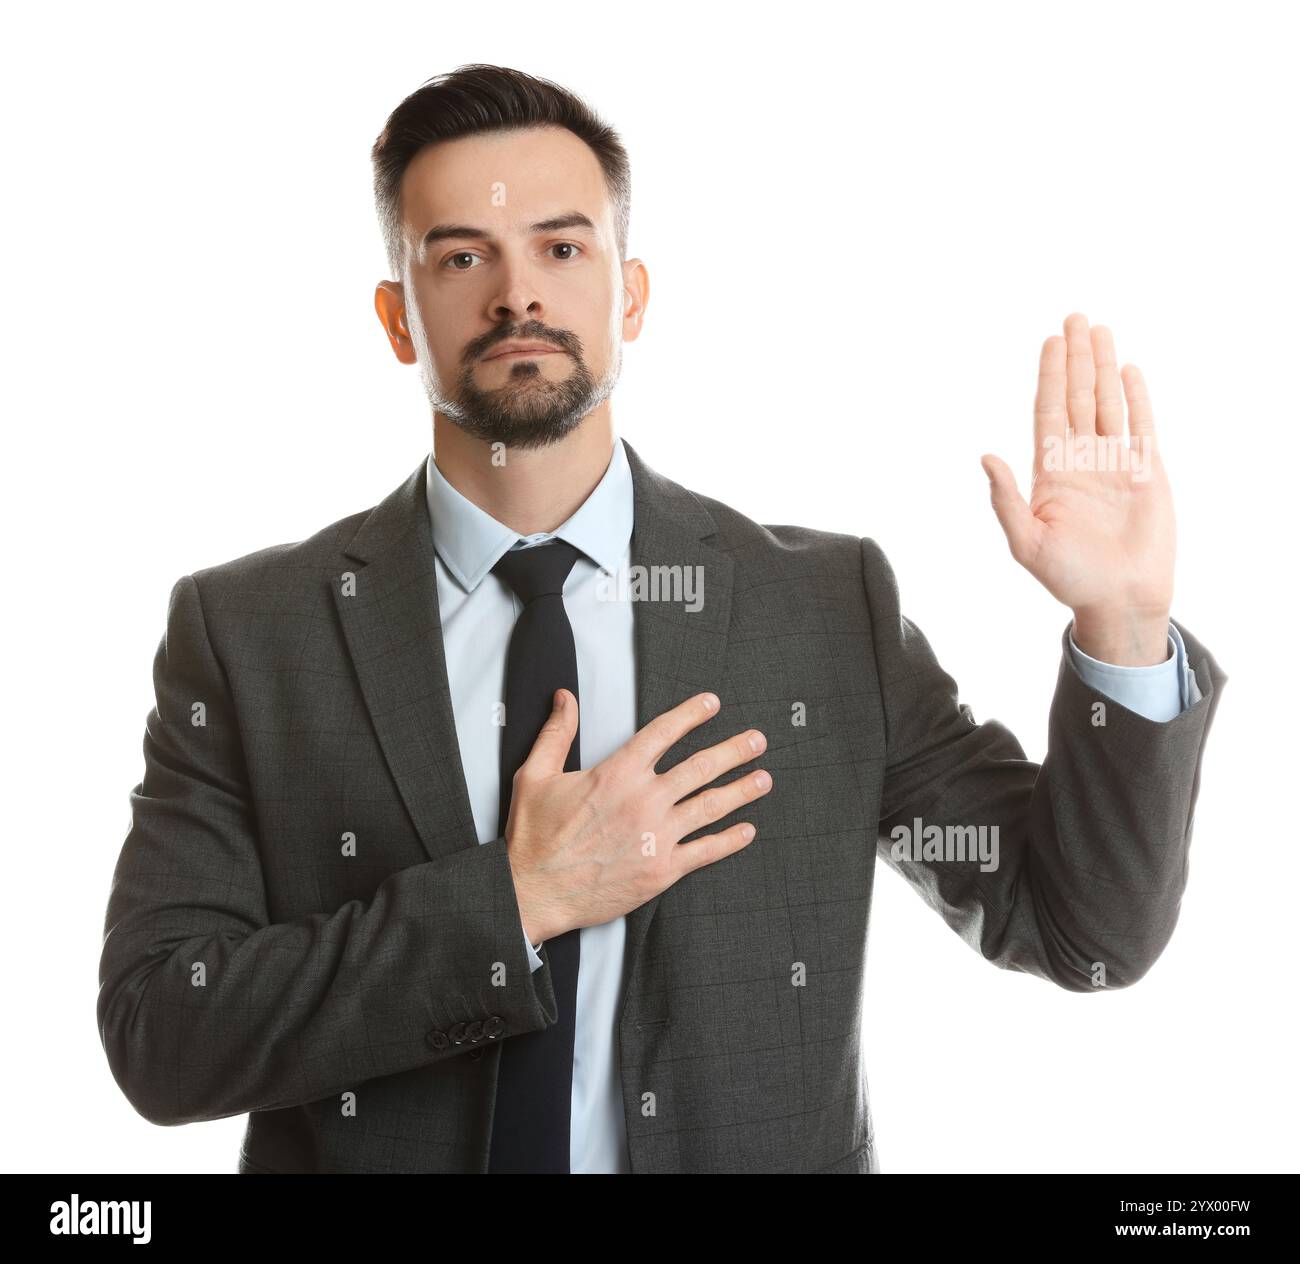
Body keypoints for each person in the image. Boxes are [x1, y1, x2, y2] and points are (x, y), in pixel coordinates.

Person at [97, 64, 1226, 1174]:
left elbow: (1084, 935)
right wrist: (519, 898)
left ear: (628, 296)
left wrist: (1122, 626)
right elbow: (161, 1031)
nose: (517, 296)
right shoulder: (251, 633)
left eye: (561, 246)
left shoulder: (824, 609)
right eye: (460, 257)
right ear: (398, 317)